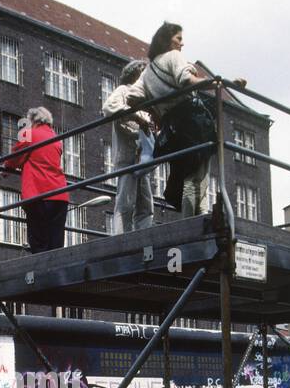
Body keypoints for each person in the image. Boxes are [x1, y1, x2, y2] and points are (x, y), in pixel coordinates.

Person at [128, 22, 246, 216]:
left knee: (188, 176)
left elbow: (132, 98)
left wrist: (156, 112)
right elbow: (186, 81)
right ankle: (190, 224)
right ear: (167, 39)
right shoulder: (174, 56)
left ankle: (196, 221)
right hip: (191, 122)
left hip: (171, 129)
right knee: (195, 178)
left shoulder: (147, 72)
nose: (182, 44)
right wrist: (223, 84)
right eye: (179, 38)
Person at [4, 106, 69, 252]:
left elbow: (17, 154)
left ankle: (41, 272)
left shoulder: (28, 133)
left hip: (38, 193)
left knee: (38, 240)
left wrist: (7, 167)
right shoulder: (56, 138)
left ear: (33, 121)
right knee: (55, 242)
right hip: (60, 194)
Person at [102, 59, 156, 233]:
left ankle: (144, 238)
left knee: (145, 205)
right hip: (128, 157)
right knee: (125, 203)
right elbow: (109, 107)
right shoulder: (123, 91)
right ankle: (122, 242)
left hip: (141, 159)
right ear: (136, 75)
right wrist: (136, 118)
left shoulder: (142, 99)